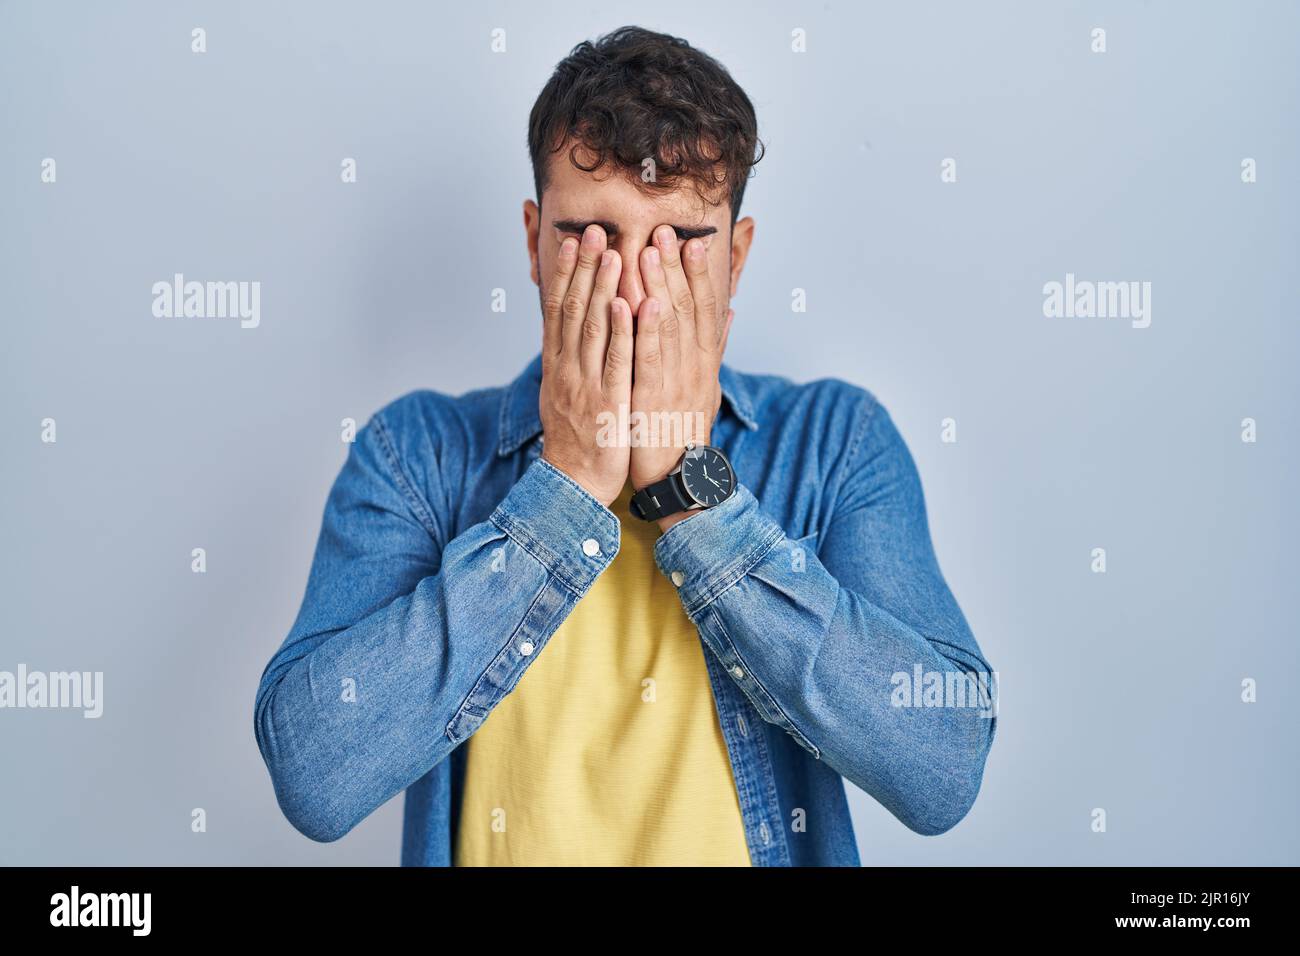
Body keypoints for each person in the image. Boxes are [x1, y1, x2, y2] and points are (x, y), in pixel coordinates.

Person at [254, 25, 996, 866]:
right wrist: (566, 484)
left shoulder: (836, 442)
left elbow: (944, 771)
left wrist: (696, 497)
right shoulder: (413, 454)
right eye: (590, 238)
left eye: (679, 243)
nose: (637, 289)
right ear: (535, 244)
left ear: (737, 260)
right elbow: (315, 776)